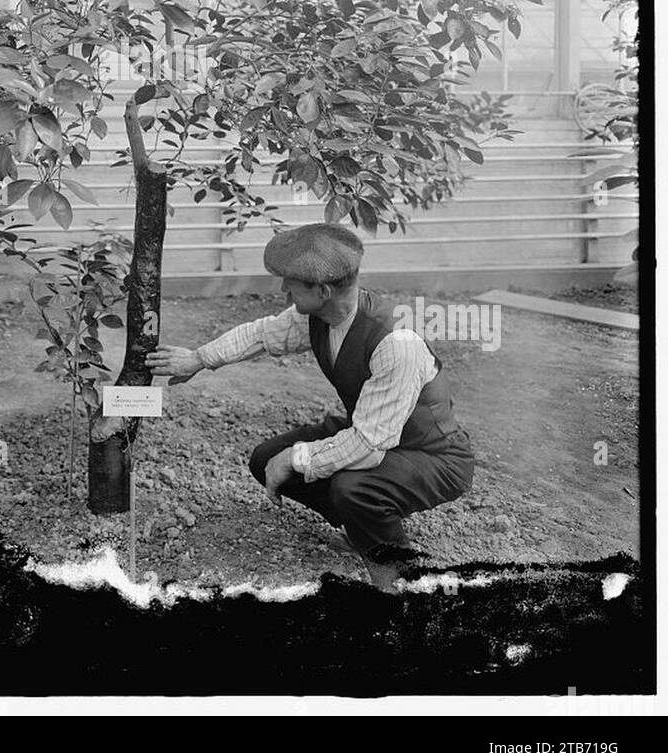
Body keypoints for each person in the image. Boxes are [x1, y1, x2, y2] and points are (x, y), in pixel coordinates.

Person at [147, 223, 475, 574]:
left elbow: (367, 445)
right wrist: (199, 359)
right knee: (266, 459)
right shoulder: (320, 315)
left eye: (291, 282)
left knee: (354, 487)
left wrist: (296, 457)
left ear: (322, 290)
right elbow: (261, 335)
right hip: (376, 435)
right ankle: (363, 528)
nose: (284, 289)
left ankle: (396, 571)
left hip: (430, 454)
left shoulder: (396, 344)